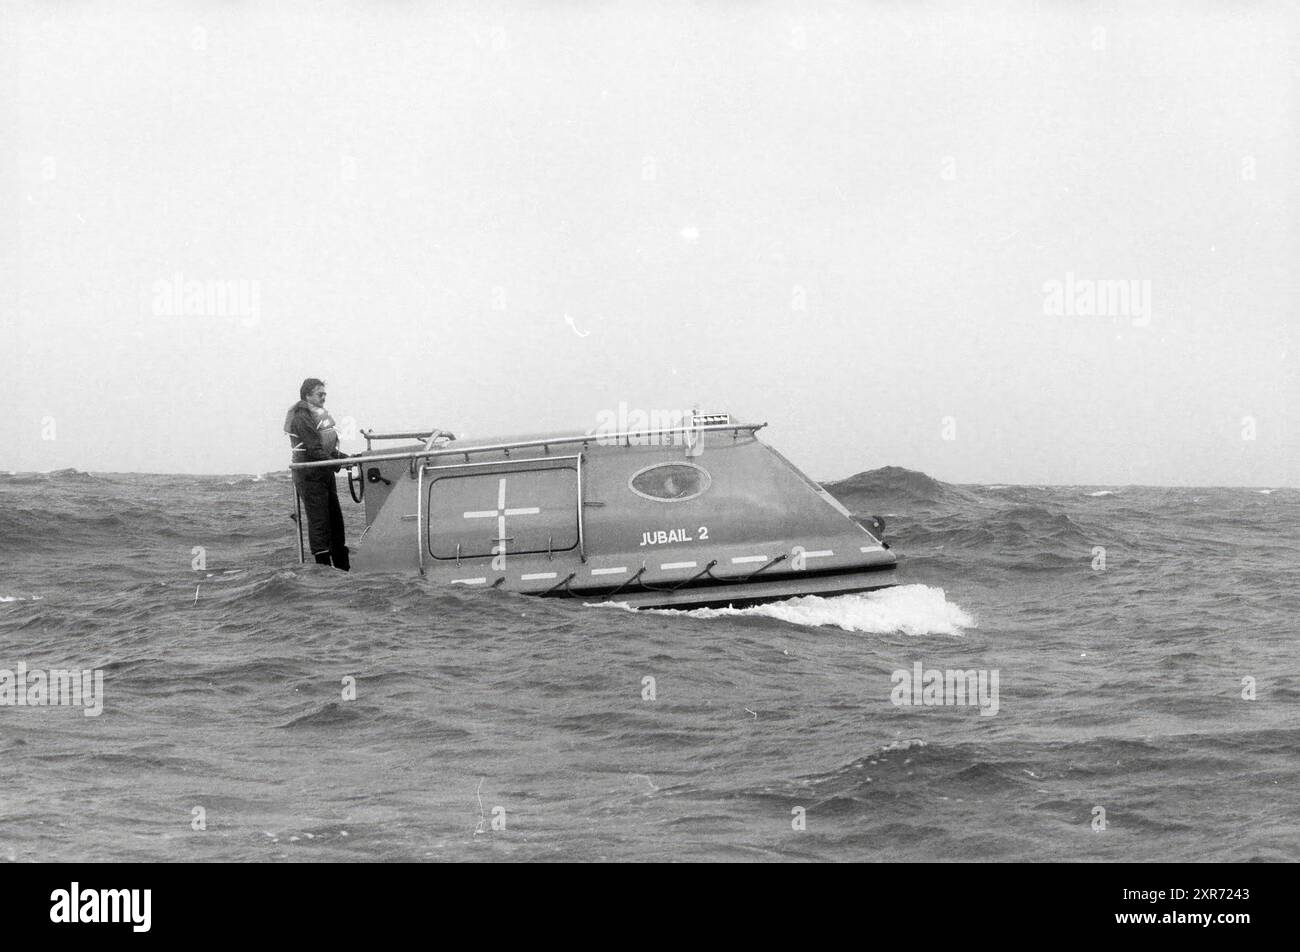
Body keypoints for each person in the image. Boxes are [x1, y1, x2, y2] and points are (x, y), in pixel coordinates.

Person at [284, 378, 351, 570]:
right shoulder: (301, 418)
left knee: (336, 523)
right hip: (309, 475)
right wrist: (338, 463)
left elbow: (325, 449)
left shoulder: (316, 416)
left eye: (324, 394)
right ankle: (324, 571)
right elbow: (314, 450)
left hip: (324, 472)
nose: (323, 398)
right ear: (307, 396)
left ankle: (344, 571)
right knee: (319, 523)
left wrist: (348, 459)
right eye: (320, 394)